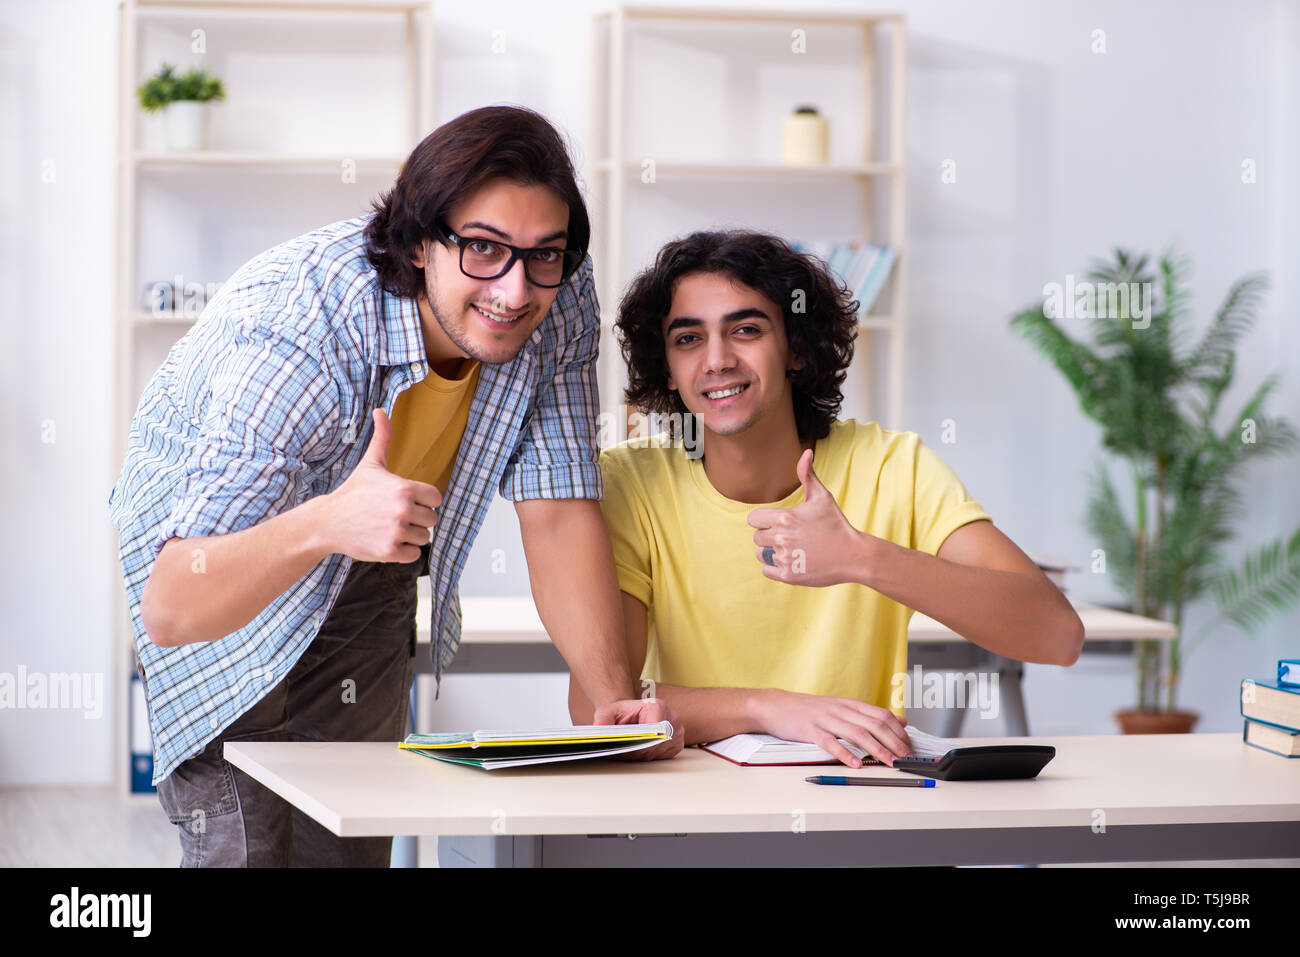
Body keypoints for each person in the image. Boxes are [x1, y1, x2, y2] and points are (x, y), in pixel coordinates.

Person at [107, 105, 682, 868]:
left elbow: (558, 509)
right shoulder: (302, 326)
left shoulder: (557, 295)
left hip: (377, 549)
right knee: (246, 845)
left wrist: (612, 700)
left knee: (349, 832)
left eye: (545, 254)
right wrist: (324, 523)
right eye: (483, 249)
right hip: (225, 549)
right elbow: (177, 600)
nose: (515, 291)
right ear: (419, 244)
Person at [570, 229, 1083, 768]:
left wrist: (861, 557)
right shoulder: (630, 482)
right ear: (669, 370)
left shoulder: (892, 467)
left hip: (860, 807)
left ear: (795, 350)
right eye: (688, 339)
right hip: (696, 813)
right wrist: (767, 707)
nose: (717, 360)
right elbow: (598, 708)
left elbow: (1058, 636)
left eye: (746, 330)